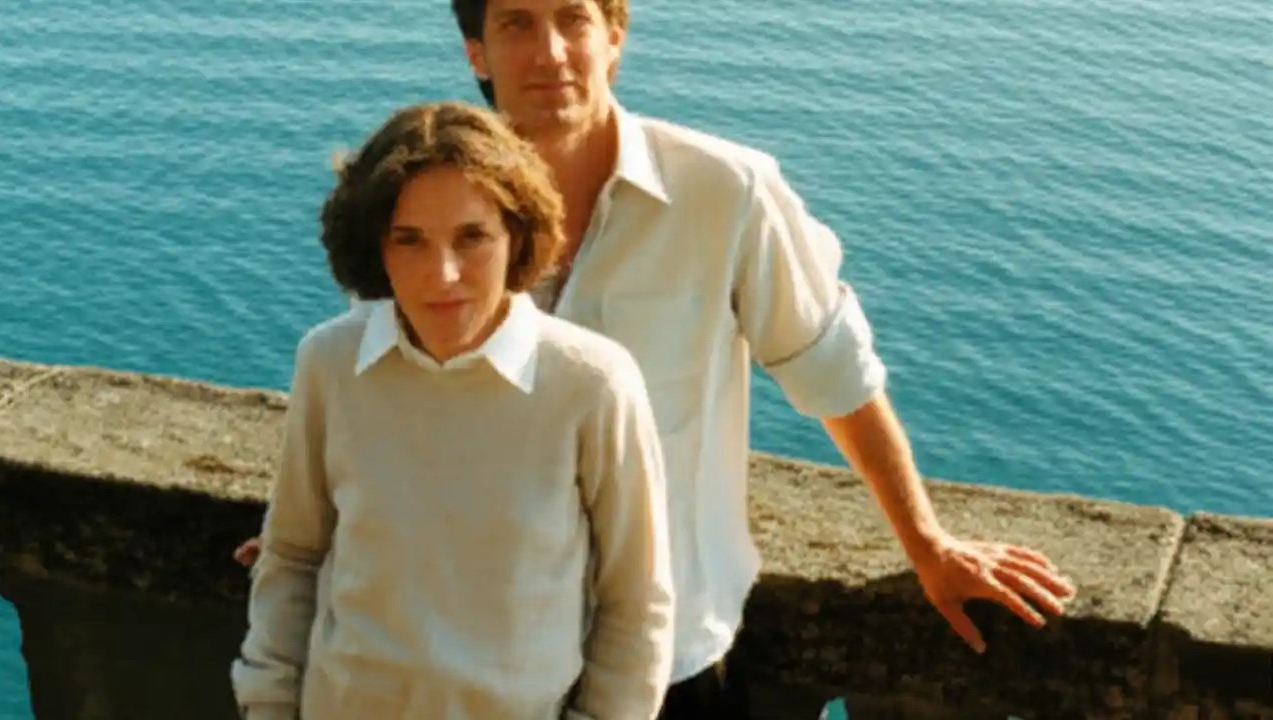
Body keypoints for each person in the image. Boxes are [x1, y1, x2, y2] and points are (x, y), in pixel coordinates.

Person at [446, 1, 1079, 718]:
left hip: (663, 659)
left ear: (615, 35)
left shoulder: (726, 192)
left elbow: (835, 371)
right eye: (517, 23)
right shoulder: (427, 210)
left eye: (573, 19)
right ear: (477, 51)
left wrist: (928, 544)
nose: (551, 52)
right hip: (467, 650)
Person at [230, 100, 675, 720]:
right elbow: (293, 555)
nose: (443, 275)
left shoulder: (591, 384)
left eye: (473, 238)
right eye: (409, 240)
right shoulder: (330, 362)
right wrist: (268, 706)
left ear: (516, 234)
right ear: (375, 248)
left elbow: (637, 601)